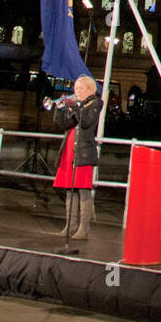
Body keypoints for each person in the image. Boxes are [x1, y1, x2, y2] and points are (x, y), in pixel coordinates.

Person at [52, 75, 102, 241]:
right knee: (69, 189)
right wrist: (59, 109)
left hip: (83, 152)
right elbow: (63, 124)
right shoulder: (79, 105)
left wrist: (75, 107)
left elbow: (86, 122)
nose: (76, 92)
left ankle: (84, 228)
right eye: (75, 88)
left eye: (80, 88)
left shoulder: (95, 103)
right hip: (69, 150)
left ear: (89, 89)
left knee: (83, 189)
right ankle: (70, 225)